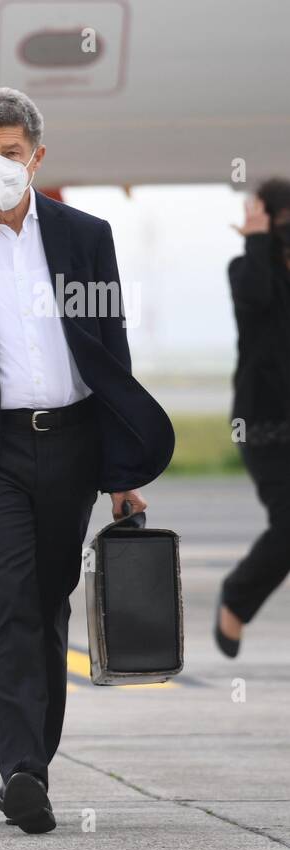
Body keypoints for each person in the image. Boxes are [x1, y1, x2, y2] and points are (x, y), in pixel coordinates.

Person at [0, 88, 174, 834]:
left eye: (10, 153)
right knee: (12, 602)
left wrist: (122, 474)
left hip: (76, 442)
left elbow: (109, 355)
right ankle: (20, 769)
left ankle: (35, 762)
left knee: (48, 606)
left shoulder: (87, 237)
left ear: (37, 157)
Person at [216, 179, 290, 657]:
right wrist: (257, 240)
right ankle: (237, 599)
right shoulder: (247, 267)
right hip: (265, 425)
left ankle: (239, 600)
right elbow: (257, 299)